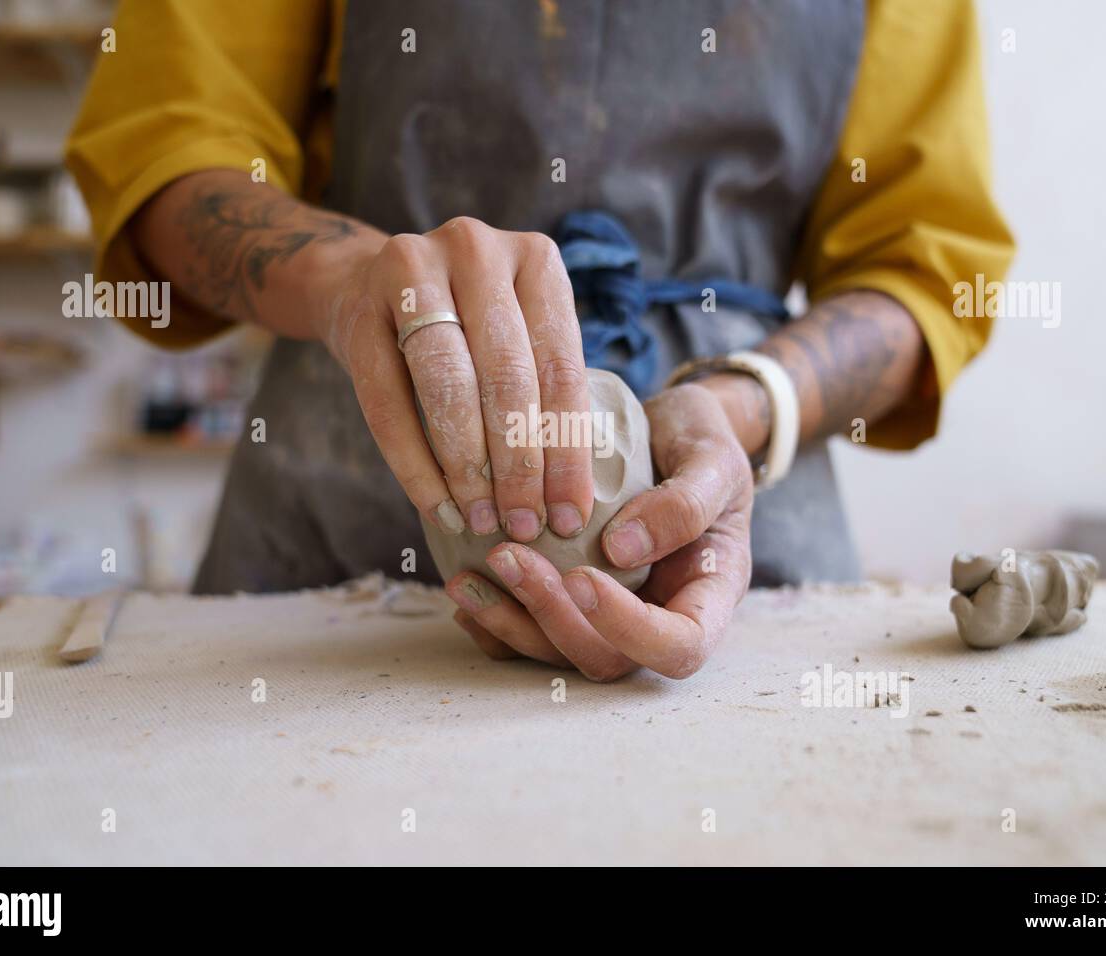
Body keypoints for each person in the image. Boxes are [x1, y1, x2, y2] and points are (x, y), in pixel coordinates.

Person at [66, 0, 1013, 680]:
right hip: (343, 505)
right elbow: (167, 151)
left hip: (735, 498)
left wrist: (743, 402)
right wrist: (354, 280)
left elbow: (925, 272)